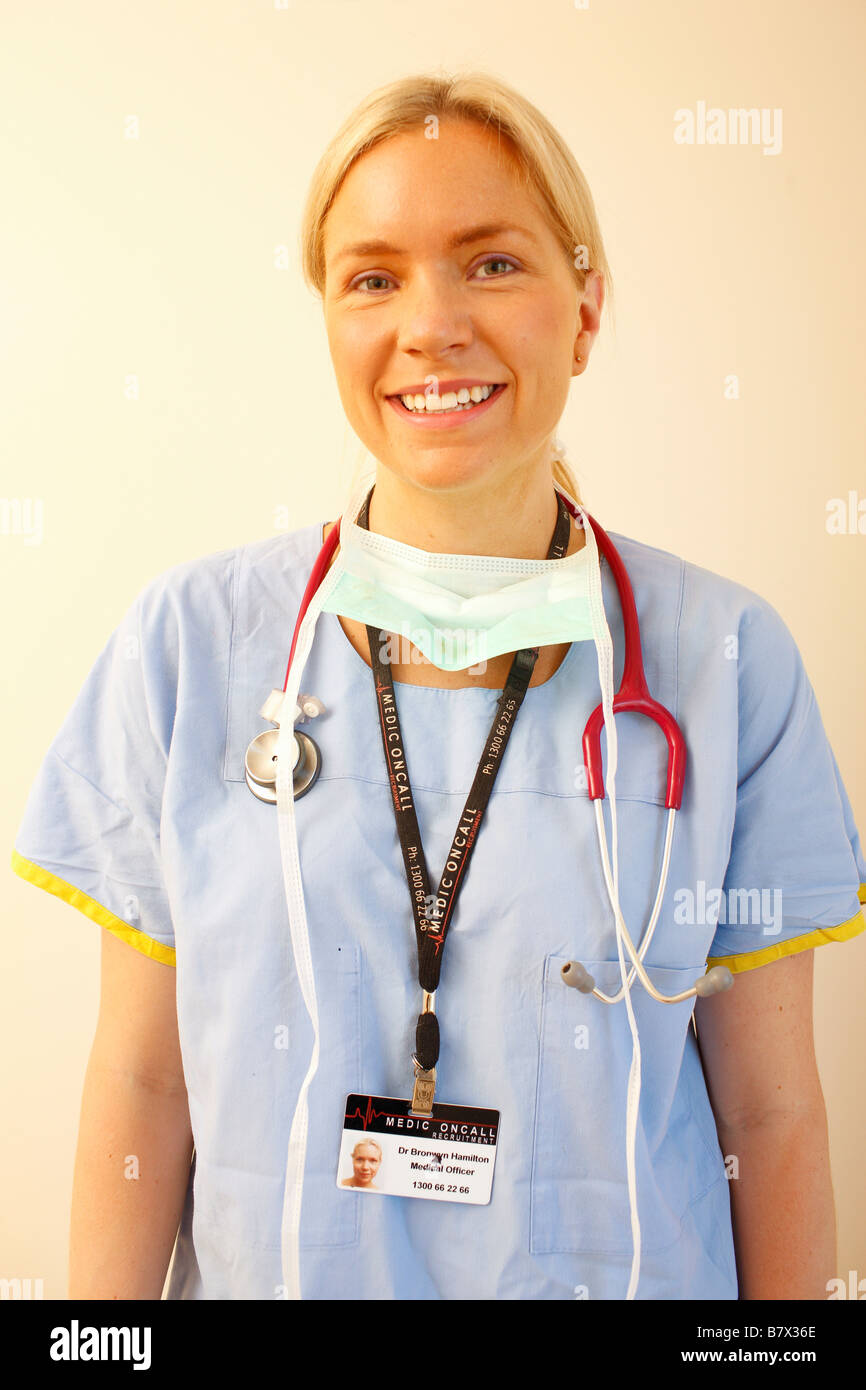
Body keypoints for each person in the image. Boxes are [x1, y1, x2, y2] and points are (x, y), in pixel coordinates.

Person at [11, 70, 865, 1302]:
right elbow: (143, 1086)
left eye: (492, 263)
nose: (431, 325)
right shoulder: (190, 646)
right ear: (330, 321)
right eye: (372, 277)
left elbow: (772, 1114)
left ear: (583, 309)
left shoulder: (725, 660)